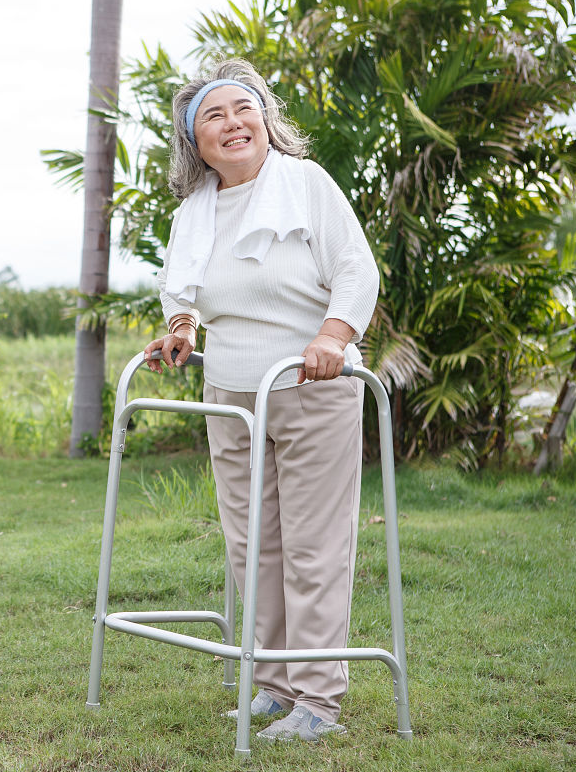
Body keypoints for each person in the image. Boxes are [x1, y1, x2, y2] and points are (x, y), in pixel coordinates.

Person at [143, 58, 379, 743]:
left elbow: (355, 268)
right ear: (195, 141)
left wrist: (333, 336)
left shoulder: (305, 184)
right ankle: (275, 685)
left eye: (242, 109)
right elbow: (184, 291)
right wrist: (181, 330)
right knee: (252, 546)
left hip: (311, 385)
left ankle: (318, 700)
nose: (232, 123)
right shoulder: (194, 212)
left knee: (312, 546)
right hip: (231, 394)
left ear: (266, 120)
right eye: (213, 116)